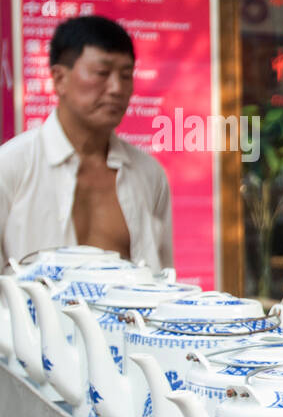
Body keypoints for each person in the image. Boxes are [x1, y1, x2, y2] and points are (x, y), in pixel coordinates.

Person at [0, 16, 172, 270]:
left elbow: (163, 280)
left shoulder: (148, 174)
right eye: (101, 73)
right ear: (59, 78)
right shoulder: (11, 166)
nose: (116, 88)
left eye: (126, 75)